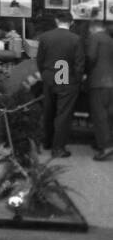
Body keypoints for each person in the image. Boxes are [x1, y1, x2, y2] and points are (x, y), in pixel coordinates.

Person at [37, 14, 84, 158]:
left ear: (56, 20)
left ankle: (47, 142)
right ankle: (58, 148)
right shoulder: (76, 39)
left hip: (49, 78)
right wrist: (78, 80)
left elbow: (39, 60)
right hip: (66, 79)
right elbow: (79, 64)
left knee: (48, 111)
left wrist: (44, 74)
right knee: (63, 114)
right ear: (72, 22)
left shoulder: (45, 37)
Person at [87, 19, 113, 160]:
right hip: (110, 83)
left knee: (99, 115)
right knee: (109, 115)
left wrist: (85, 72)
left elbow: (91, 57)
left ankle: (105, 146)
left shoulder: (95, 37)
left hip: (98, 82)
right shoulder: (110, 39)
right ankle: (106, 142)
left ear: (93, 28)